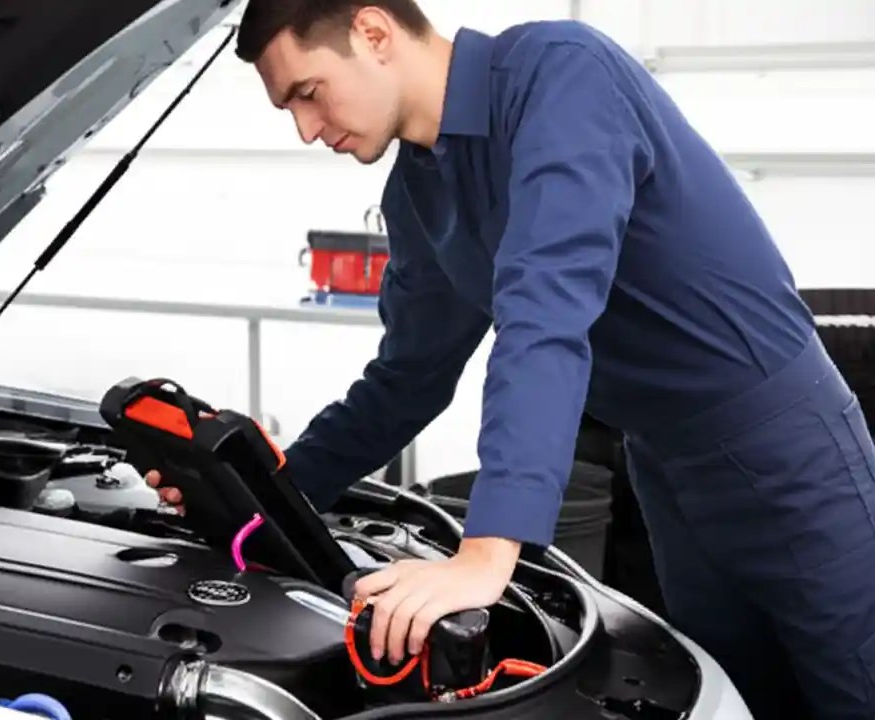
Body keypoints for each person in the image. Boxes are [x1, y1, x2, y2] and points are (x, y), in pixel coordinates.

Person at [147, 2, 875, 717]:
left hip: (787, 451)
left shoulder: (562, 77)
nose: (307, 129)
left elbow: (545, 310)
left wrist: (487, 551)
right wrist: (259, 494)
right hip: (665, 472)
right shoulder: (418, 193)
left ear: (373, 33)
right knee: (741, 699)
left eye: (308, 93)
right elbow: (405, 381)